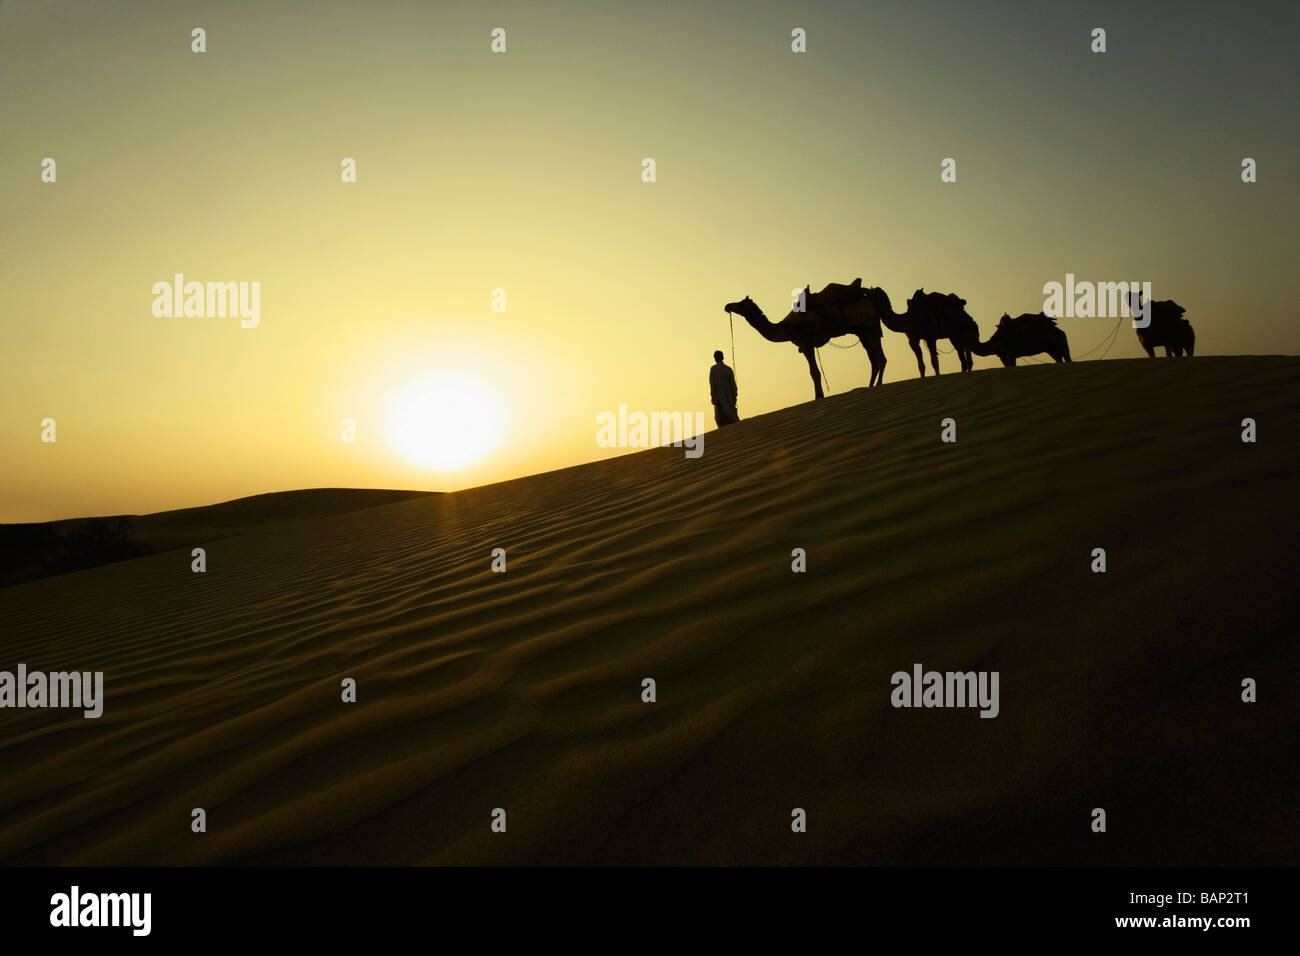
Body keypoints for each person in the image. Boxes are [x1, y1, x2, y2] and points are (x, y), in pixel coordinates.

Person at [709, 350, 739, 426]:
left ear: (715, 358)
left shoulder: (713, 369)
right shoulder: (728, 369)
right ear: (722, 357)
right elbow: (733, 385)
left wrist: (713, 396)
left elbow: (712, 384)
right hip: (729, 397)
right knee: (732, 416)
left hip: (719, 399)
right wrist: (735, 395)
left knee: (721, 419)